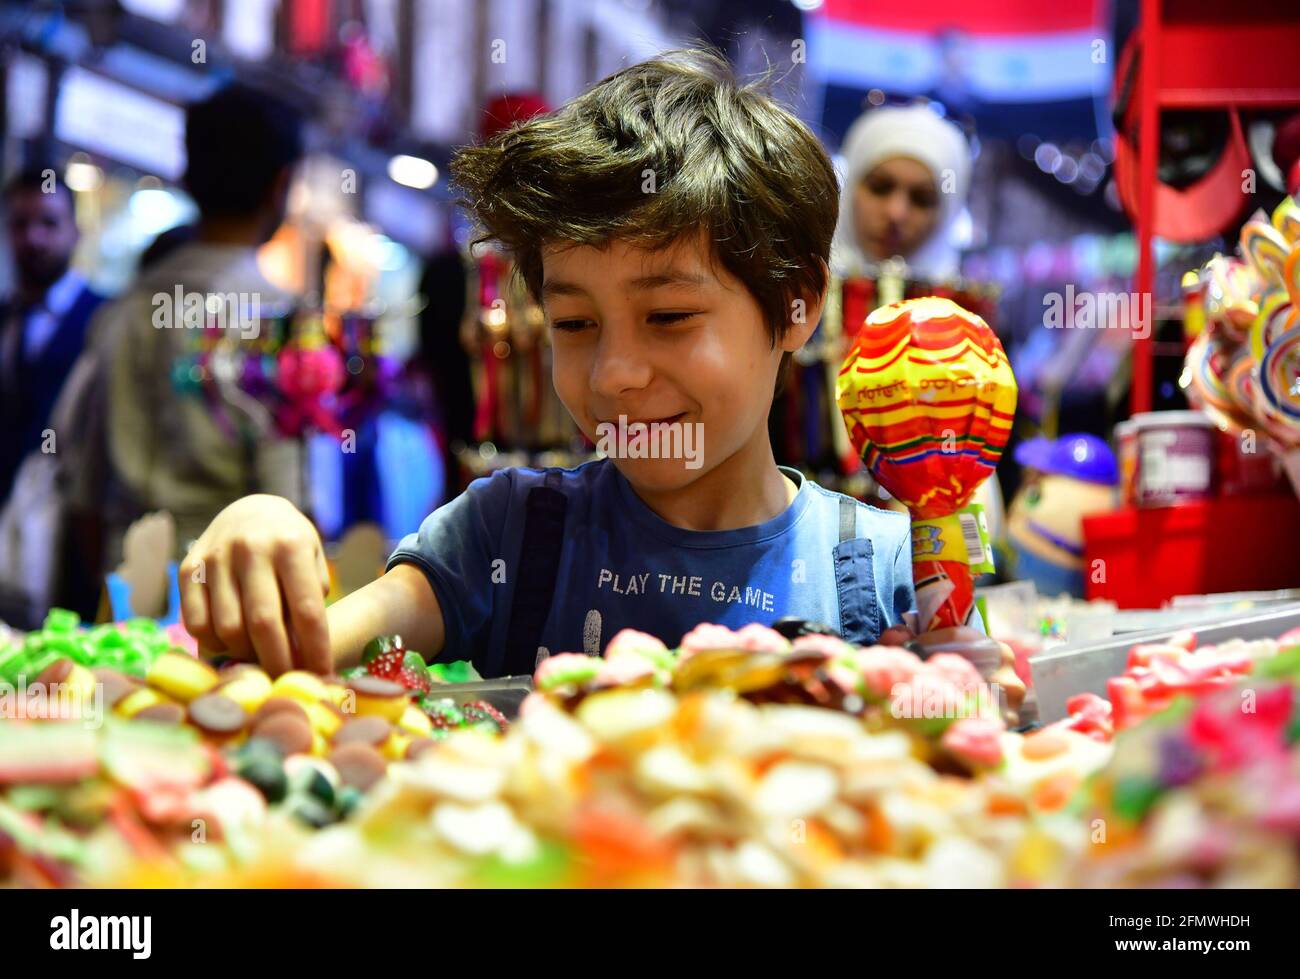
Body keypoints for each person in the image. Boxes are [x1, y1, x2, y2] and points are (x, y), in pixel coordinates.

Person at [178, 51, 1020, 706]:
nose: (615, 376)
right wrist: (260, 528)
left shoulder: (888, 571)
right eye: (575, 324)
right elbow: (310, 659)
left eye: (669, 317)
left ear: (796, 305)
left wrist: (968, 699)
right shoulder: (502, 537)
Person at [91, 82, 307, 565]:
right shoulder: (281, 319)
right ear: (280, 186)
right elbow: (287, 494)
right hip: (230, 582)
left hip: (119, 576)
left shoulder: (123, 306)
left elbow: (81, 480)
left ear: (187, 176)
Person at [0, 168, 107, 504]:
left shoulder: (102, 319)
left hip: (68, 520)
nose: (34, 239)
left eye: (49, 223)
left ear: (76, 232)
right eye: (20, 224)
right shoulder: (7, 316)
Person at [829, 102, 972, 282]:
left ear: (947, 212)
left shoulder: (962, 308)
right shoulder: (801, 296)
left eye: (922, 199)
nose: (896, 213)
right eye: (880, 188)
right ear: (849, 188)